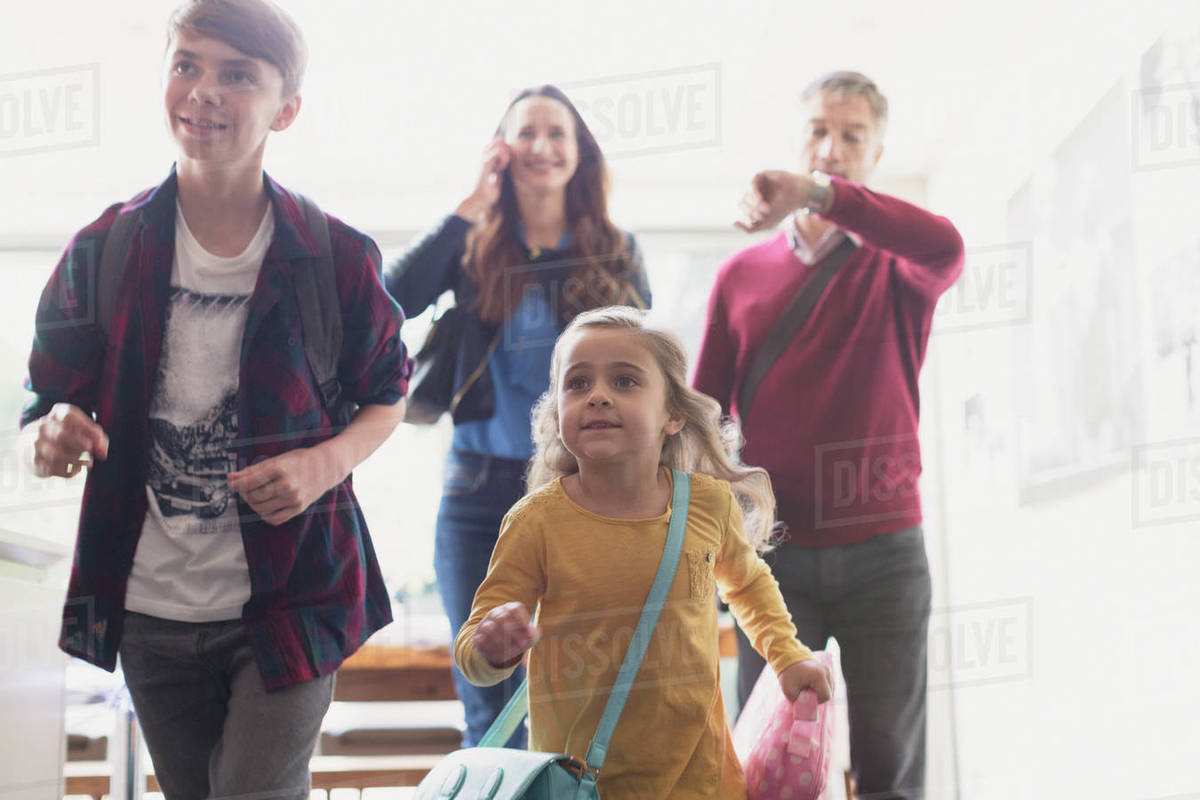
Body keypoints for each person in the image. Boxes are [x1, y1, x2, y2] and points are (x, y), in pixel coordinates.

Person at [19, 1, 410, 797]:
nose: (203, 92)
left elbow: (388, 395)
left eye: (237, 75)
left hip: (292, 594)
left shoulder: (334, 255)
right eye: (187, 65)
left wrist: (321, 465)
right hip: (145, 606)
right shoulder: (105, 247)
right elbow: (46, 403)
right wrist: (52, 433)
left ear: (286, 107)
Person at [693, 71, 964, 800]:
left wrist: (816, 192)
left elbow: (947, 243)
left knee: (889, 766)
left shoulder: (903, 265)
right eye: (818, 129)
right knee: (769, 765)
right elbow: (702, 418)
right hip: (772, 561)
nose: (832, 147)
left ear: (877, 153)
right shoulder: (740, 274)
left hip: (886, 555)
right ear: (795, 138)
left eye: (852, 136)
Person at [454, 306, 832, 799]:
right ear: (555, 416)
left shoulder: (707, 503)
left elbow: (748, 585)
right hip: (582, 786)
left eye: (626, 381)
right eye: (577, 384)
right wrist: (490, 648)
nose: (598, 396)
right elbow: (473, 653)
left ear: (672, 414)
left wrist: (788, 657)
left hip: (703, 783)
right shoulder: (534, 523)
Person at [384, 85, 650, 748]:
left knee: (586, 702)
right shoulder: (474, 248)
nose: (541, 147)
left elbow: (649, 374)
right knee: (490, 708)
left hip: (586, 492)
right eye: (524, 134)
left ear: (578, 152)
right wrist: (468, 207)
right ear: (500, 151)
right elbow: (387, 299)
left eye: (556, 133)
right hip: (477, 495)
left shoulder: (613, 249)